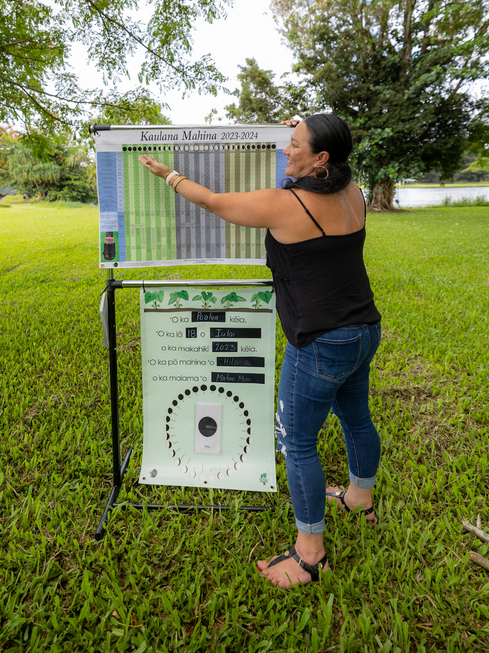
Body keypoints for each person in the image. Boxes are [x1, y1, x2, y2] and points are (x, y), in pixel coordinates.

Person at [138, 113, 381, 588]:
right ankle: (359, 497)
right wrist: (300, 129)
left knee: (298, 444)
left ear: (321, 158)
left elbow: (210, 200)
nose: (285, 151)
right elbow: (317, 158)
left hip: (319, 341)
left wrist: (167, 172)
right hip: (363, 330)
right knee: (357, 419)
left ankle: (310, 556)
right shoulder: (354, 193)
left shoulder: (286, 204)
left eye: (293, 145)